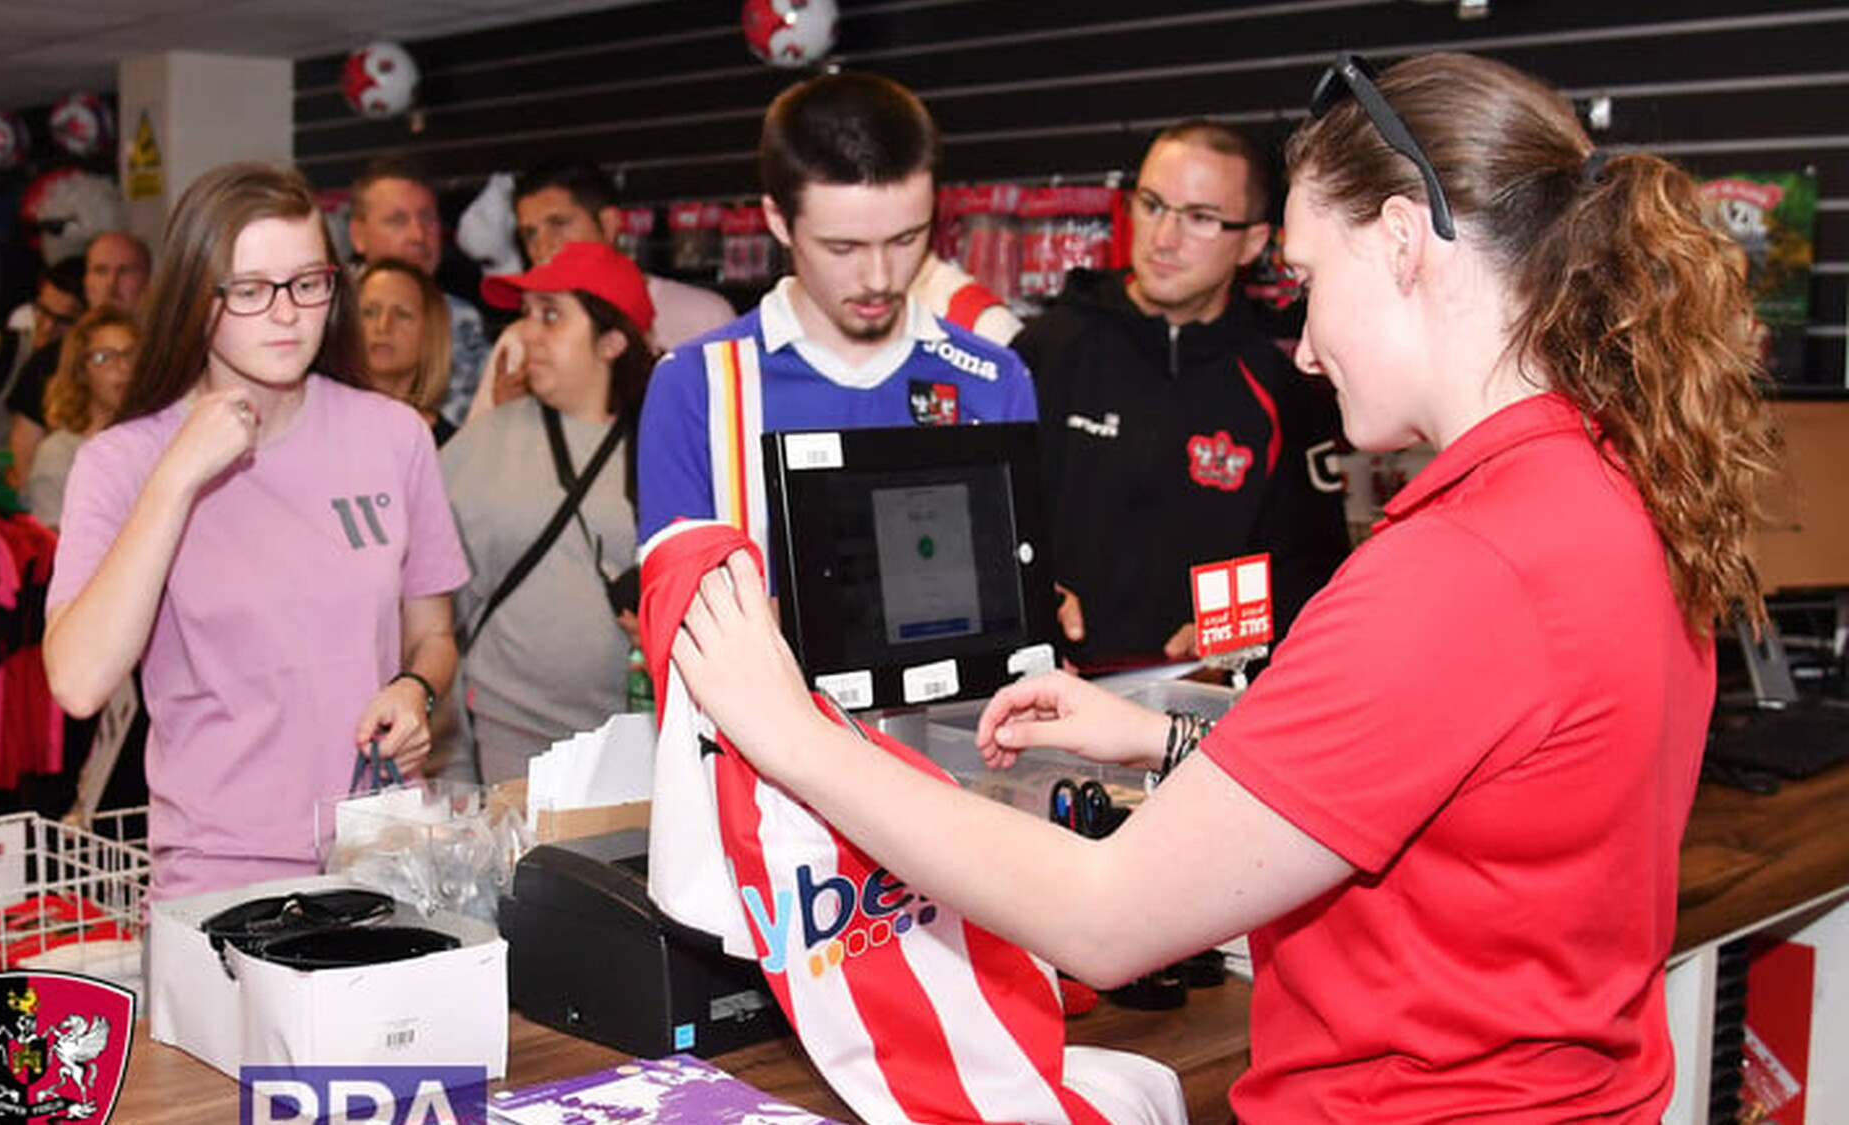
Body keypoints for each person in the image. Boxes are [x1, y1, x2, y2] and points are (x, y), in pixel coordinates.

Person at [660, 52, 1778, 1122]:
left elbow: (1103, 918)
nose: (1299, 345)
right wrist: (1168, 745)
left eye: (1302, 281)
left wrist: (794, 738)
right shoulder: (1602, 485)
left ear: (1400, 243)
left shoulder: (1459, 566)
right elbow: (1439, 800)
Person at [43, 161, 470, 900]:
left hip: (384, 851)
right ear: (194, 298)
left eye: (308, 282)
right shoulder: (123, 461)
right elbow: (79, 682)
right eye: (250, 290)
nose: (286, 313)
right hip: (220, 874)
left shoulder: (393, 435)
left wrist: (413, 689)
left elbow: (432, 635)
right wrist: (177, 478)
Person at [637, 70, 1037, 546]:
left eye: (906, 239)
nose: (879, 278)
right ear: (778, 221)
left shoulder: (995, 380)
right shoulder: (695, 386)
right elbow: (673, 606)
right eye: (843, 248)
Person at [1013, 121, 1350, 670]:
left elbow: (1314, 573)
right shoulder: (1043, 352)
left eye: (1200, 218)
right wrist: (1031, 604)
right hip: (1046, 696)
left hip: (1201, 714)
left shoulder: (1282, 392)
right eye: (1151, 205)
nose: (1163, 238)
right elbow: (984, 531)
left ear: (1252, 243)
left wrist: (1239, 638)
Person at [441, 242, 658, 780]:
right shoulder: (482, 442)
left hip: (643, 740)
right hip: (510, 742)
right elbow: (434, 603)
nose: (527, 333)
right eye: (527, 314)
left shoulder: (668, 447)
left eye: (552, 316)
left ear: (611, 341)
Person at [465, 156, 735, 423]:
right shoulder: (519, 338)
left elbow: (734, 429)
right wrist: (505, 419)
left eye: (559, 224)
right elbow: (470, 457)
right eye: (530, 234)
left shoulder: (704, 316)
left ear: (608, 224)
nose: (543, 246)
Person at [348, 155, 490, 429]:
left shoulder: (462, 319)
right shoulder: (323, 314)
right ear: (358, 235)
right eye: (397, 220)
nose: (418, 235)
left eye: (427, 218)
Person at [10, 233, 153, 490]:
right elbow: (24, 472)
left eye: (126, 271)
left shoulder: (176, 355)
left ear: (149, 279)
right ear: (86, 281)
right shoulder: (44, 364)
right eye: (100, 271)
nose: (112, 283)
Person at [21, 305, 136, 528]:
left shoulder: (159, 441)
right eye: (104, 357)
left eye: (131, 354)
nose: (123, 367)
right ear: (81, 372)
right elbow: (55, 548)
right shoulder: (60, 453)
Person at [357, 257, 456, 446]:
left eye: (402, 314)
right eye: (369, 312)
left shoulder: (451, 448)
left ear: (431, 333)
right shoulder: (317, 421)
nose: (383, 326)